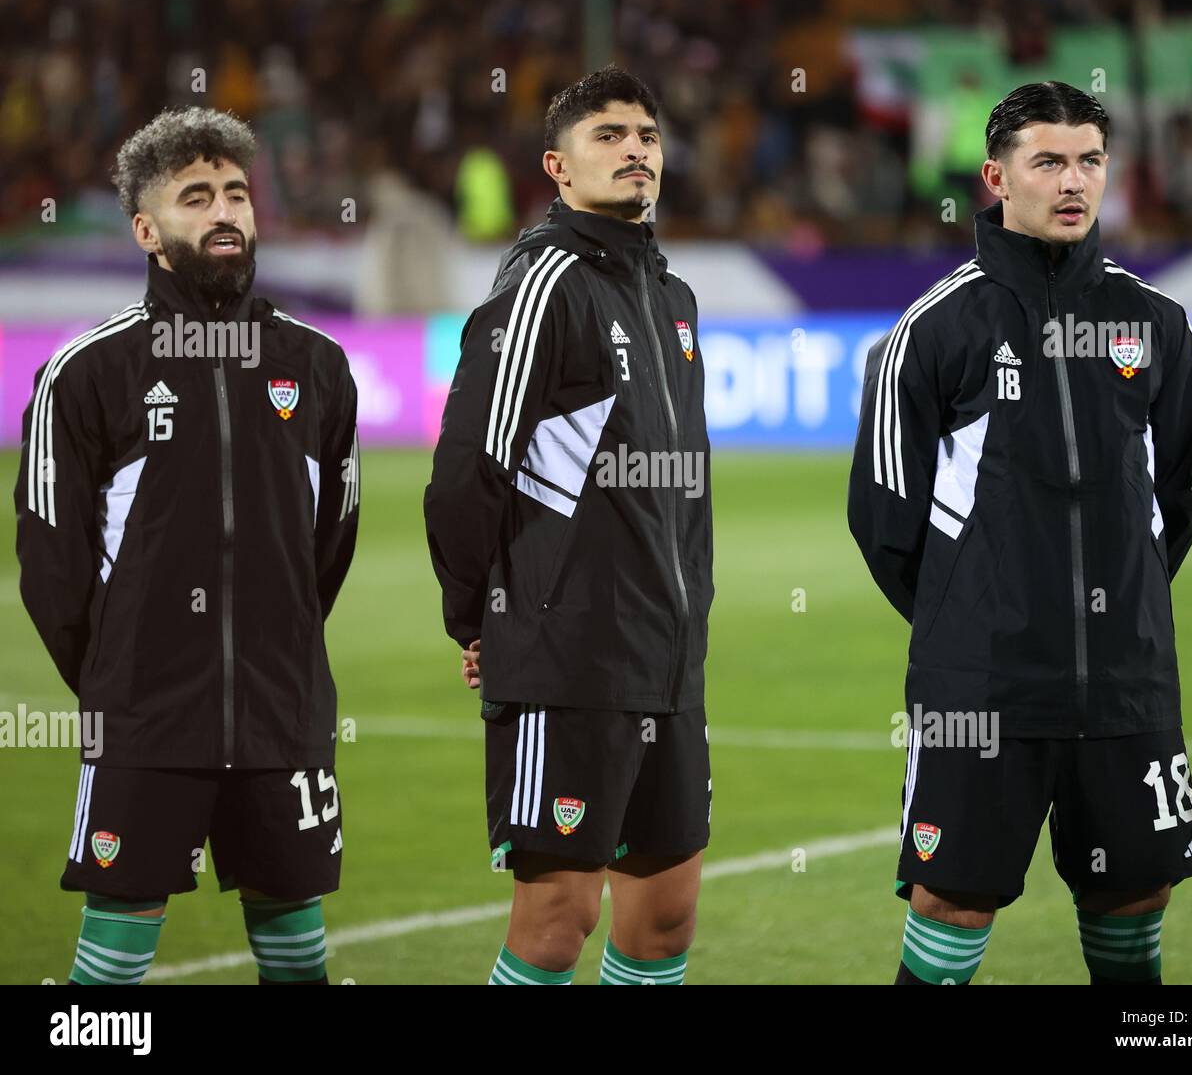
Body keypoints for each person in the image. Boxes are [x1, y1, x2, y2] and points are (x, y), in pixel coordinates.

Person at [848, 81, 1192, 985]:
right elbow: (885, 521)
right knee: (953, 900)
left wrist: (1118, 611)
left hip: (1126, 683)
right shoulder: (932, 331)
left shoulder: (1157, 325)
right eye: (1048, 161)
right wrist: (978, 620)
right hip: (984, 690)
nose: (1072, 180)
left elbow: (1181, 499)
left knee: (1135, 897)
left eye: (1089, 160)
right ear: (996, 177)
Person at [14, 107, 360, 985]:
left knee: (297, 950)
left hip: (282, 715)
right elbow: (51, 570)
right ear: (146, 229)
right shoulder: (86, 373)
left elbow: (330, 543)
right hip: (145, 719)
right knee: (112, 969)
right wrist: (122, 677)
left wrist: (273, 648)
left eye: (237, 193)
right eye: (196, 196)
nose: (224, 212)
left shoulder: (317, 366)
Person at [424, 66, 713, 986]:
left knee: (664, 917)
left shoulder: (672, 298)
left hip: (666, 656)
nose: (636, 149)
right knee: (558, 920)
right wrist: (477, 617)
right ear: (557, 166)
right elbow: (468, 469)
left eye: (648, 135)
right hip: (570, 655)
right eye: (609, 135)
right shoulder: (545, 283)